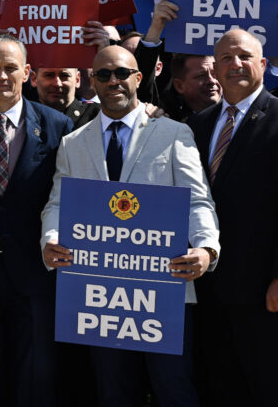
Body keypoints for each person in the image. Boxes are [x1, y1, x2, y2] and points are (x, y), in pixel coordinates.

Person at [41, 46, 219, 407]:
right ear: (92, 81)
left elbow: (197, 200)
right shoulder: (73, 142)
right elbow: (58, 201)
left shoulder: (174, 133)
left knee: (174, 389)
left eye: (122, 73)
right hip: (100, 296)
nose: (114, 81)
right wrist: (52, 239)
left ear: (139, 78)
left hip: (163, 289)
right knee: (114, 391)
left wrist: (206, 249)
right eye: (103, 75)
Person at [0, 35, 71, 406]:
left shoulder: (58, 126)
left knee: (35, 382)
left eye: (11, 69)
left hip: (35, 276)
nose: (2, 76)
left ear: (27, 73)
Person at [186, 29, 278, 407]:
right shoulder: (196, 125)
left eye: (243, 56)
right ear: (215, 69)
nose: (235, 64)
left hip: (262, 293)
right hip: (205, 289)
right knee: (216, 387)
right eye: (225, 58)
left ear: (264, 64)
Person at [29, 67, 100, 128]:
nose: (57, 84)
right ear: (34, 79)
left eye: (64, 76)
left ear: (77, 79)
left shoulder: (97, 116)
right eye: (49, 75)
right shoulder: (23, 118)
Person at [162, 54, 220, 122]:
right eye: (201, 76)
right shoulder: (166, 118)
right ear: (179, 86)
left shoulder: (233, 115)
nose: (212, 81)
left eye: (215, 74)